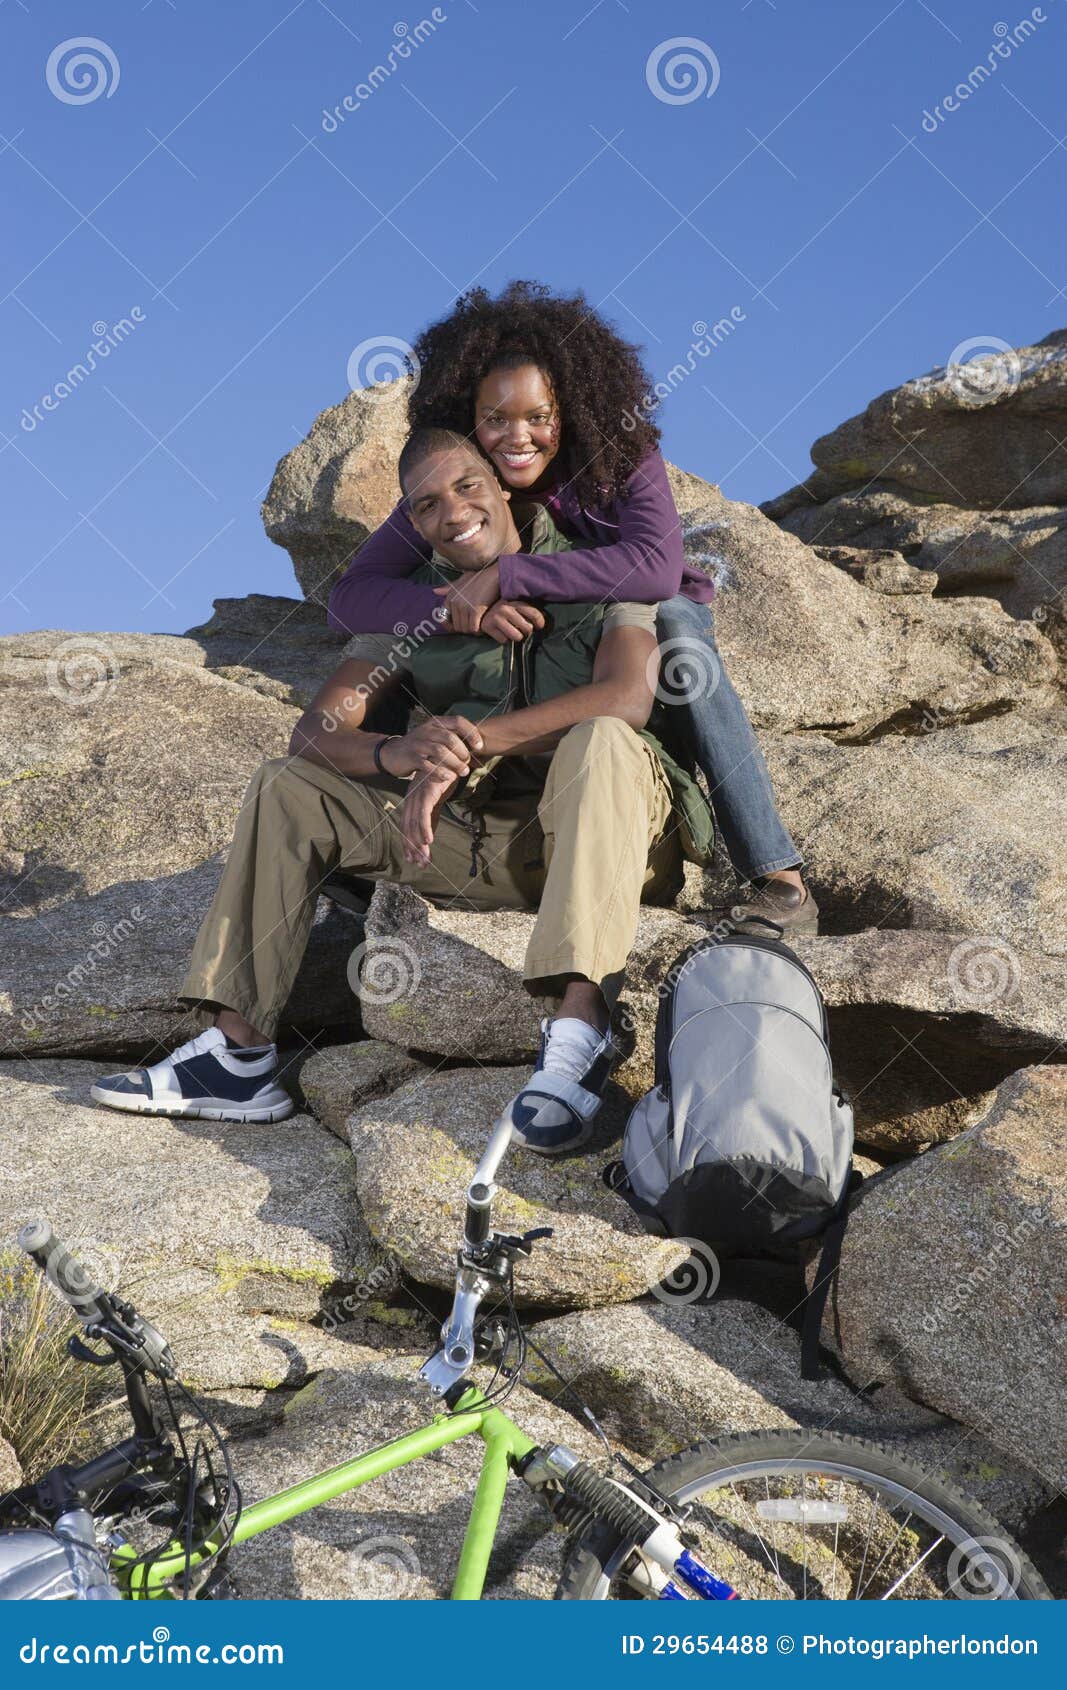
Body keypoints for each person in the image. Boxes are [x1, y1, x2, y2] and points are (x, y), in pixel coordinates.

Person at [91, 430, 714, 1154]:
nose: (453, 513)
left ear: (504, 487)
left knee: (601, 737)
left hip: (611, 841)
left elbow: (625, 699)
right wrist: (403, 750)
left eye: (468, 488)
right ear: (411, 524)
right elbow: (316, 732)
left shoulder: (593, 568)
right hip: (481, 848)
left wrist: (471, 744)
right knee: (286, 785)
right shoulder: (413, 605)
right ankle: (237, 1057)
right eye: (427, 505)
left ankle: (578, 1036)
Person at [329, 280, 815, 937]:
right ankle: (370, 844)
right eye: (494, 418)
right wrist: (449, 606)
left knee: (673, 619)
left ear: (573, 405)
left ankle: (776, 875)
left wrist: (507, 574)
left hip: (620, 626)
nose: (516, 436)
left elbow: (653, 566)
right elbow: (350, 598)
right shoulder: (463, 478)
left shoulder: (622, 454)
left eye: (538, 415)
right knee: (388, 633)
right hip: (519, 637)